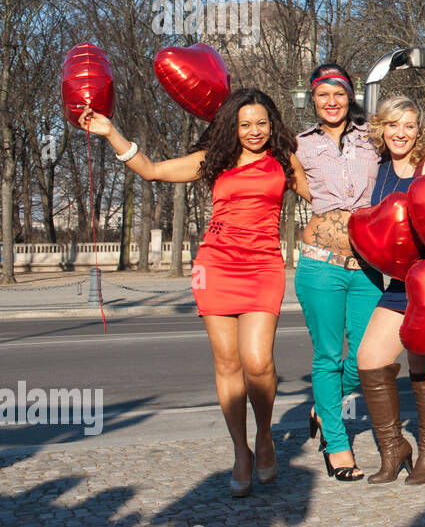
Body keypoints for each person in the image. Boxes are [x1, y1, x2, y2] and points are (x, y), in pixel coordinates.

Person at [81, 90, 309, 497]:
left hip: (263, 268)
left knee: (258, 362)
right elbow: (151, 171)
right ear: (232, 128)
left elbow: (324, 195)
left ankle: (265, 436)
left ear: (272, 124)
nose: (255, 131)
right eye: (245, 124)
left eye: (261, 123)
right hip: (216, 266)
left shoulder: (284, 161)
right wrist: (111, 131)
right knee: (227, 364)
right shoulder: (214, 162)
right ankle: (241, 451)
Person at [295, 64, 383, 481]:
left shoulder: (373, 139)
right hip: (321, 266)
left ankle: (323, 404)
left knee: (368, 355)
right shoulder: (297, 146)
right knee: (328, 356)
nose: (332, 102)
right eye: (323, 95)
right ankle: (337, 442)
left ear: (351, 98)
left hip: (367, 264)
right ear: (313, 99)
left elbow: (408, 154)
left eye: (340, 94)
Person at [353, 96, 425, 485]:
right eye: (393, 125)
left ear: (419, 131)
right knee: (370, 359)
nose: (401, 134)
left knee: (422, 363)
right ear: (382, 128)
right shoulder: (378, 170)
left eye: (409, 126)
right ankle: (394, 449)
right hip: (396, 284)